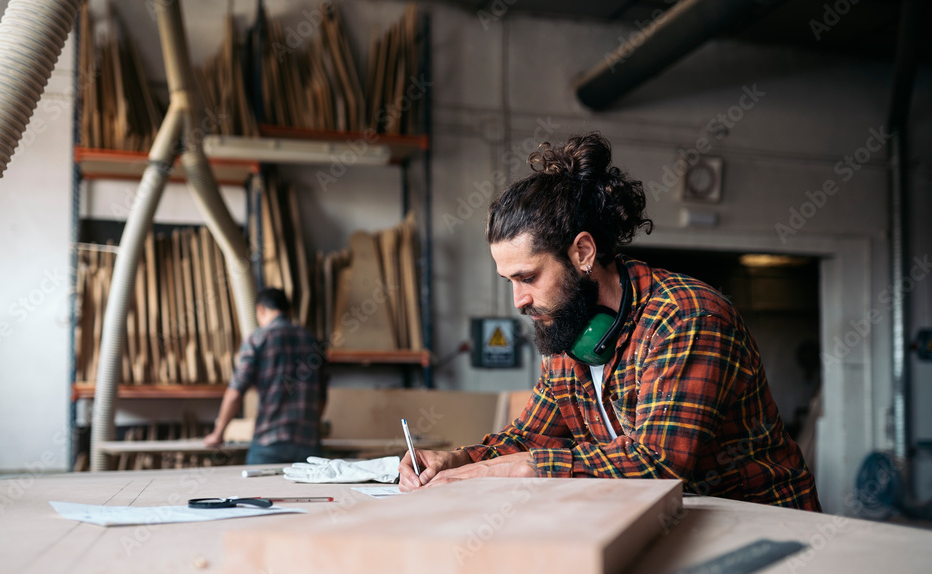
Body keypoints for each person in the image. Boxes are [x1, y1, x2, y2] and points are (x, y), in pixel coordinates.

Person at [399, 132, 821, 511]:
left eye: (528, 277)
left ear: (582, 253)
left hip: (770, 527)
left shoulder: (686, 318)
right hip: (681, 524)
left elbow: (657, 466)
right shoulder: (567, 331)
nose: (519, 301)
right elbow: (532, 437)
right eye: (509, 281)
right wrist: (456, 459)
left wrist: (527, 468)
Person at [204, 288, 327, 464]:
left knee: (259, 491)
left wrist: (218, 434)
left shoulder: (258, 339)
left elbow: (235, 393)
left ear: (260, 309)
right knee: (312, 492)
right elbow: (322, 397)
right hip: (308, 443)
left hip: (269, 441)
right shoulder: (313, 341)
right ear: (289, 311)